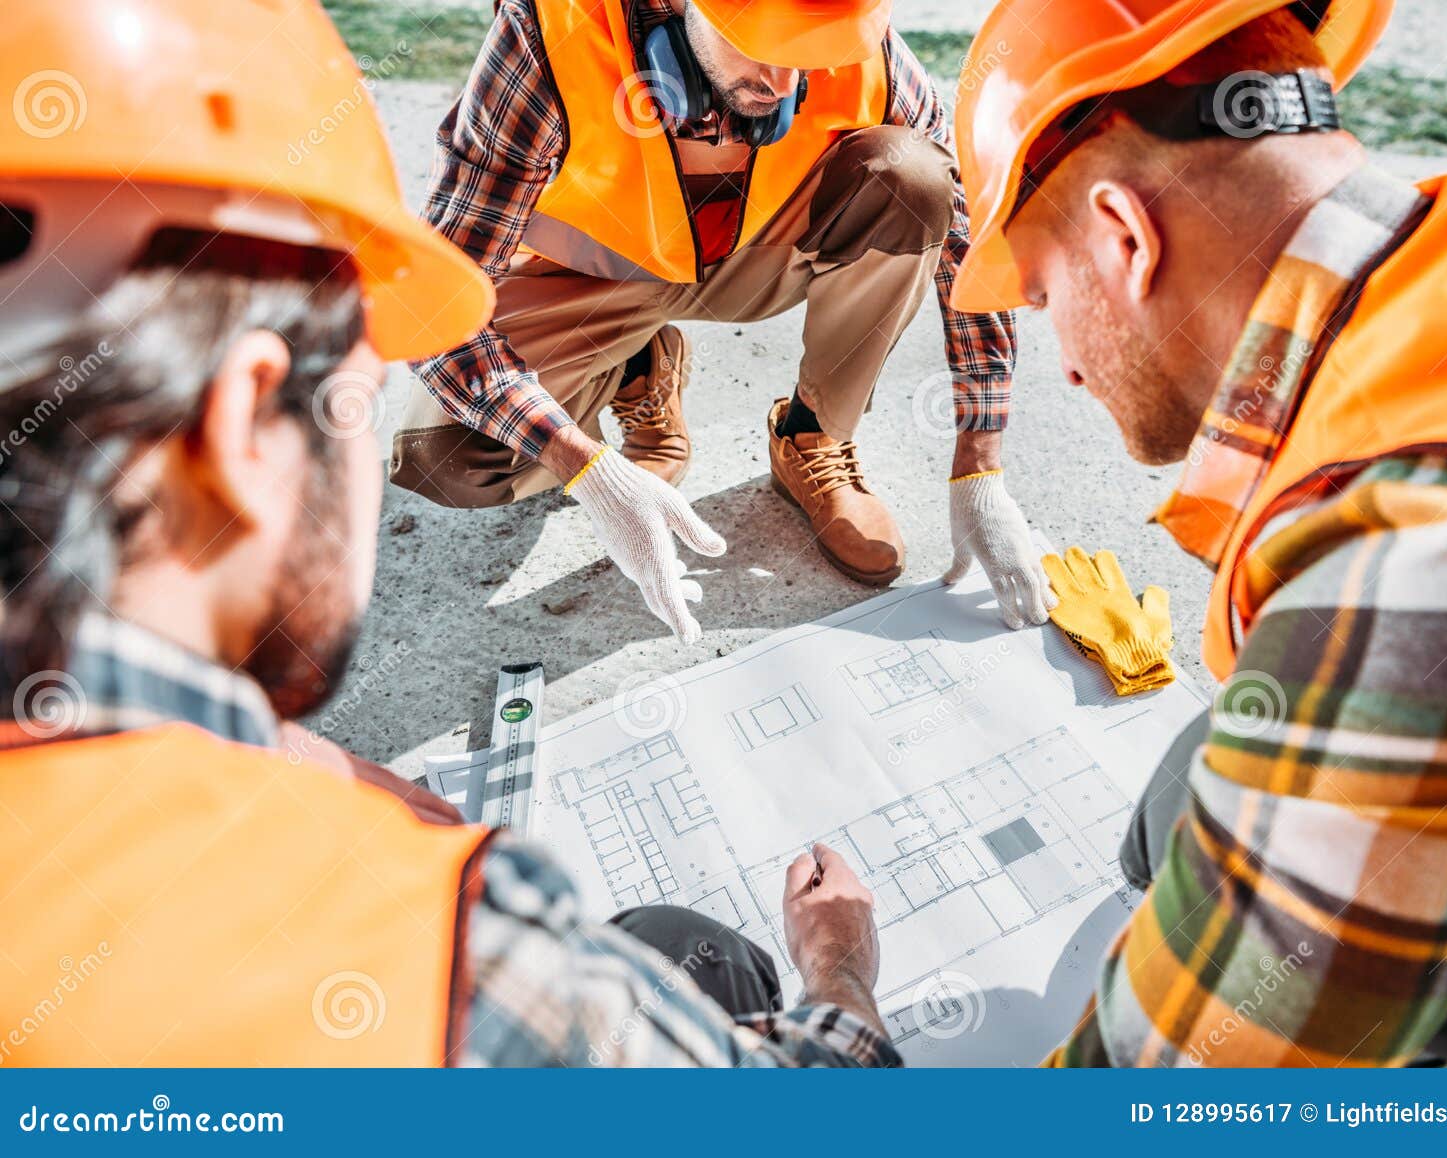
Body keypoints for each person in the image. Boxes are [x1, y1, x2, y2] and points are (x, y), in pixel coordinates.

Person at [0, 0, 893, 1068]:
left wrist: (253, 753)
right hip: (597, 283)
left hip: (725, 263)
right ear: (242, 430)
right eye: (352, 393)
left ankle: (678, 369)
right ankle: (626, 355)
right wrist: (840, 969)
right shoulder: (458, 960)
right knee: (695, 957)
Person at [952, 0, 1447, 1065]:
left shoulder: (1433, 549)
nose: (1060, 363)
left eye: (1041, 294)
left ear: (1123, 237)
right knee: (1189, 796)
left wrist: (842, 1007)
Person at [388, 0, 1057, 643]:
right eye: (765, 49)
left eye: (807, 57)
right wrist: (582, 463)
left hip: (752, 259)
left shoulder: (854, 32)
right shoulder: (545, 38)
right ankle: (634, 364)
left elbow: (969, 240)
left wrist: (980, 466)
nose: (785, 86)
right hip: (589, 279)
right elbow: (434, 305)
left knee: (917, 179)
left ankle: (811, 437)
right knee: (447, 459)